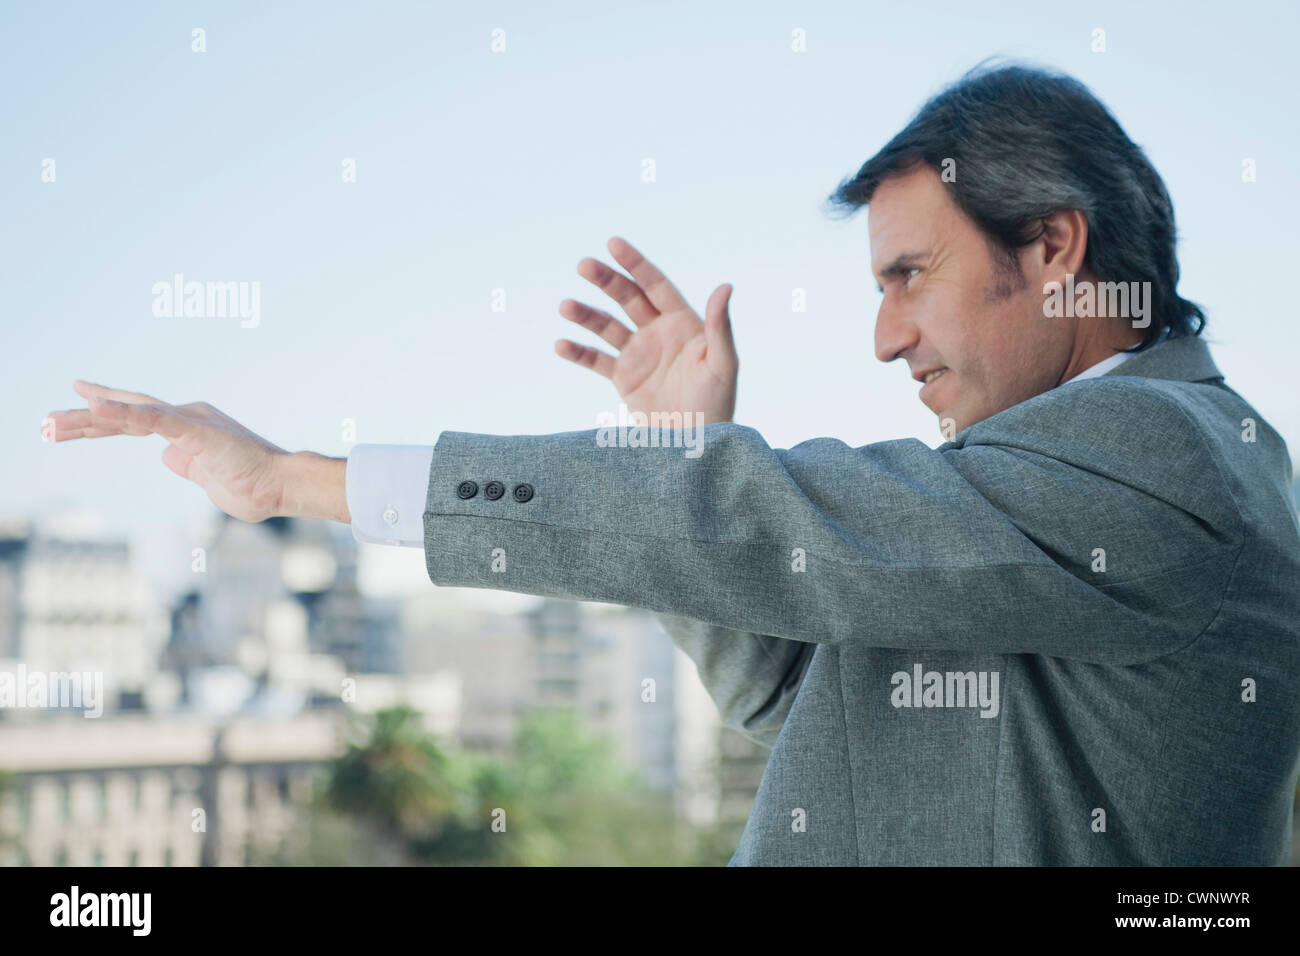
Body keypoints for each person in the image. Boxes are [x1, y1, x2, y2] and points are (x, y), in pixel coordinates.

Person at [46, 63, 1300, 865]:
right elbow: (805, 706)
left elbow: (768, 522)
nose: (882, 336)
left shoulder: (1164, 453)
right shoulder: (1082, 486)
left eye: (908, 276)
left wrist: (297, 483)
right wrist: (682, 450)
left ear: (1056, 249)